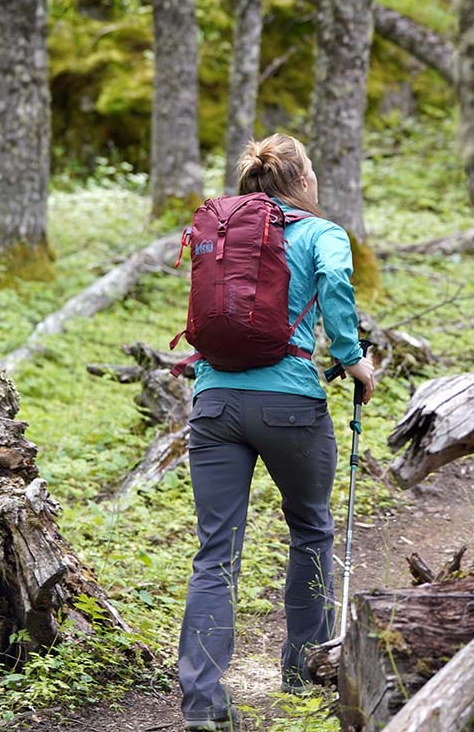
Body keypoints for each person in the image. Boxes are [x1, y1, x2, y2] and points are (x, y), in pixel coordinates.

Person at [177, 134, 376, 731]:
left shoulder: (227, 230)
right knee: (311, 529)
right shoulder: (322, 233)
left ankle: (203, 704)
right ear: (301, 181)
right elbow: (337, 288)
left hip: (213, 402)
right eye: (311, 169)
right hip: (289, 404)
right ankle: (303, 671)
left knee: (215, 553)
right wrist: (353, 356)